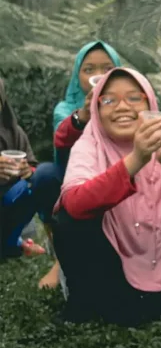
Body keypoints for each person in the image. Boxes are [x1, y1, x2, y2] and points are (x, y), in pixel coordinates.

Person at [51, 67, 161, 327]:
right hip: (110, 266)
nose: (122, 107)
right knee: (68, 220)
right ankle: (90, 300)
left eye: (134, 98)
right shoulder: (89, 145)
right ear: (96, 108)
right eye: (108, 100)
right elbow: (74, 203)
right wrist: (136, 160)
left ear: (150, 104)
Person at [41, 41, 121, 289]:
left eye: (108, 68)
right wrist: (84, 115)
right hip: (72, 180)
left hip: (113, 179)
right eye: (89, 69)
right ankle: (59, 257)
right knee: (44, 175)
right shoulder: (65, 109)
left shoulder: (126, 106)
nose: (99, 75)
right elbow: (62, 140)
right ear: (78, 76)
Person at [0, 78, 60, 261]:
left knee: (44, 177)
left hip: (8, 200)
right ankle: (16, 244)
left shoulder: (13, 132)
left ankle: (12, 242)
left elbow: (34, 167)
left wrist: (27, 171)